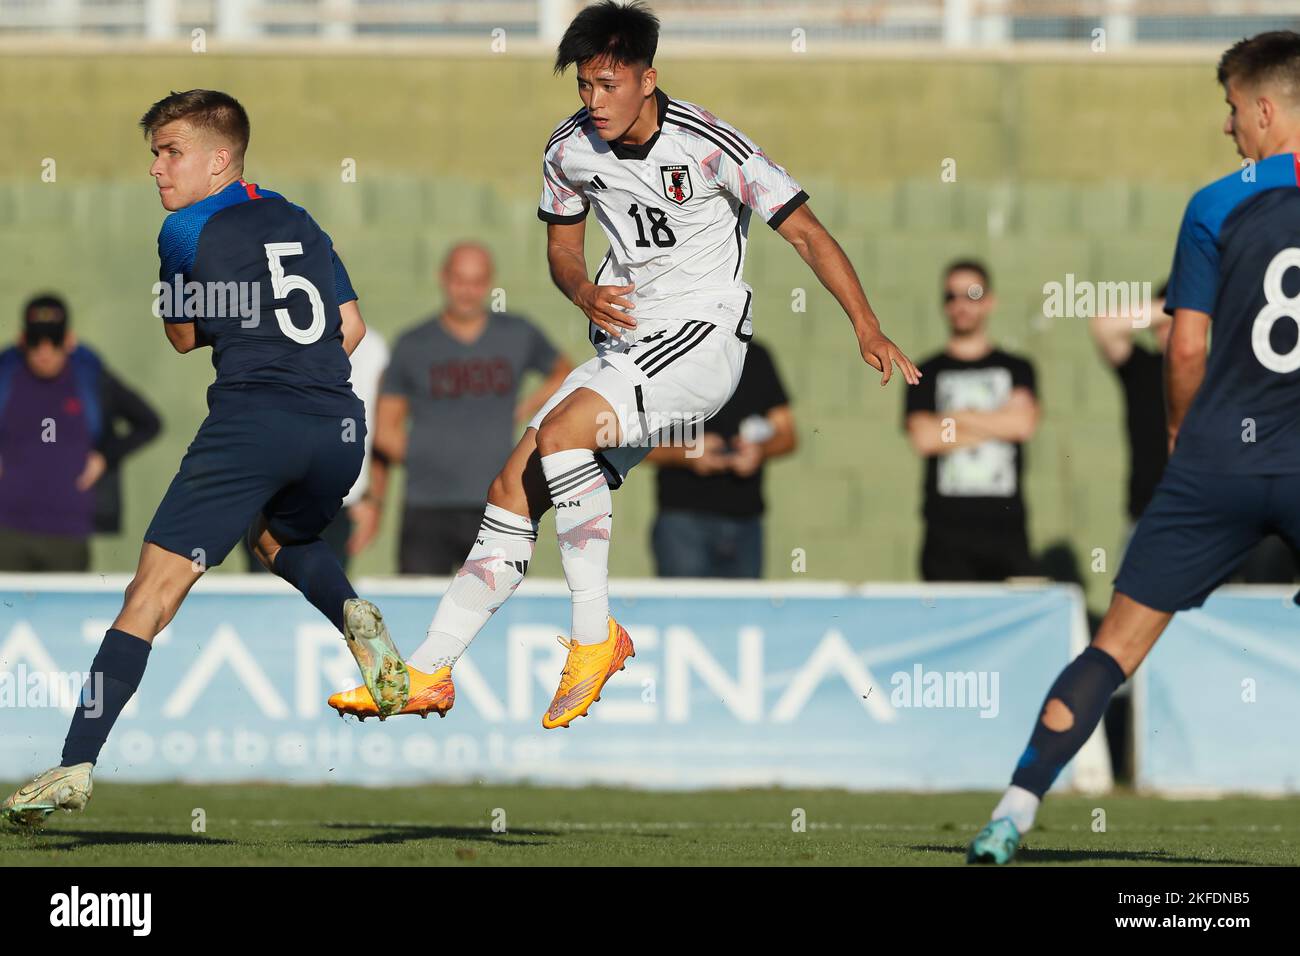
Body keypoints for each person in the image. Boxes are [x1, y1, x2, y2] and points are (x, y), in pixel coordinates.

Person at [328, 0, 918, 729]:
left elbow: (807, 233)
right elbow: (562, 249)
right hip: (628, 348)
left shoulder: (712, 145)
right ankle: (427, 671)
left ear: (647, 79)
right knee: (512, 487)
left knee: (564, 433)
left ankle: (593, 637)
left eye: (609, 84)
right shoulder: (567, 149)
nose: (595, 100)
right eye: (585, 84)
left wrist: (866, 324)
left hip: (703, 338)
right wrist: (581, 290)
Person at [1, 89, 406, 828]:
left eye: (171, 152)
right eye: (154, 154)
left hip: (253, 421)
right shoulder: (301, 219)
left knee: (149, 595)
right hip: (337, 424)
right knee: (279, 537)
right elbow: (350, 328)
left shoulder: (185, 229)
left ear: (220, 160)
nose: (157, 169)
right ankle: (350, 609)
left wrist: (240, 339)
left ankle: (75, 762)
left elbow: (184, 337)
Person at [970, 31, 1300, 863]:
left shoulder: (1216, 204)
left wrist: (1183, 434)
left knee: (1113, 647)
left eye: (1232, 108)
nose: (1227, 126)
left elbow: (1184, 348)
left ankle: (1011, 813)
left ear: (1266, 110)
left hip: (1217, 463)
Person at [374, 242, 571, 574]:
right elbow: (385, 431)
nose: (467, 291)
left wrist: (524, 409)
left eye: (477, 281)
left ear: (489, 283)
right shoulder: (413, 343)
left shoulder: (517, 333)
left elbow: (564, 373)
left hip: (499, 503)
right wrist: (431, 456)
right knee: (423, 601)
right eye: (459, 280)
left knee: (496, 599)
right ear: (443, 278)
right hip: (427, 507)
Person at [0, 295, 161, 571]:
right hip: (6, 528)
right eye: (36, 341)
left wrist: (104, 458)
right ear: (23, 341)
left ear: (69, 340)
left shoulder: (91, 379)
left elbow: (149, 422)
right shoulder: (6, 375)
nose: (45, 351)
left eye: (54, 341)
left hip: (69, 531)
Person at [904, 260, 1040, 581]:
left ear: (989, 301)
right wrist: (999, 422)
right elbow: (924, 439)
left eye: (972, 294)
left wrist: (956, 418)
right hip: (945, 536)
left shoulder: (1017, 368)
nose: (961, 304)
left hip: (1006, 532)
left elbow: (1023, 425)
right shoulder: (924, 372)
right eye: (951, 296)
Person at [647, 338, 795, 577]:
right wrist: (687, 453)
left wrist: (759, 451)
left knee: (744, 603)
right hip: (681, 520)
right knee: (682, 603)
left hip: (746, 520)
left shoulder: (756, 356)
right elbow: (628, 441)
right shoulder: (671, 352)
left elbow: (787, 435)